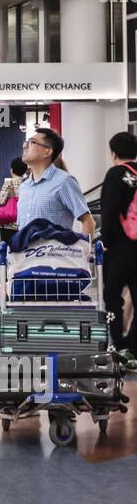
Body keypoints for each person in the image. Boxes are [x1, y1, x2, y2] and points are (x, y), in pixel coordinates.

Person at [100, 131, 137, 372]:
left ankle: (120, 347)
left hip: (120, 249)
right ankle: (134, 347)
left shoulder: (115, 174)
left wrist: (107, 241)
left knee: (113, 299)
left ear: (113, 152)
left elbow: (110, 210)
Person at [16, 127, 94, 236]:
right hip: (24, 251)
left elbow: (88, 221)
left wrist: (84, 249)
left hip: (55, 252)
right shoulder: (24, 187)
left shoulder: (64, 181)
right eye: (26, 142)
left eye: (32, 142)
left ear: (47, 151)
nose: (25, 146)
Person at [0, 157, 28, 245]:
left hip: (8, 223)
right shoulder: (27, 183)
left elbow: (1, 201)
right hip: (21, 223)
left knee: (6, 250)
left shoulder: (9, 183)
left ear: (12, 169)